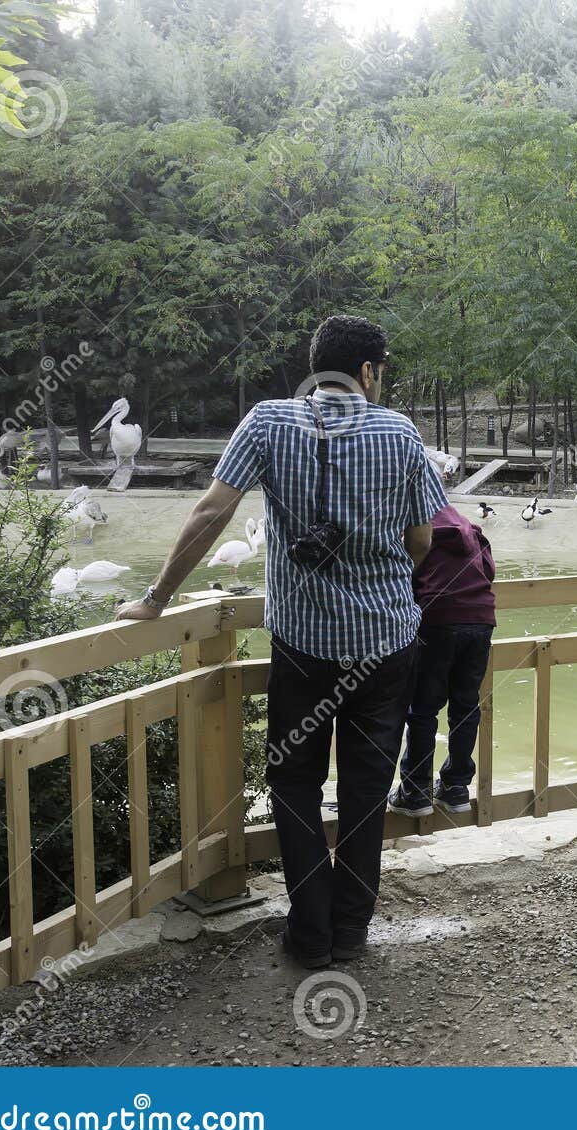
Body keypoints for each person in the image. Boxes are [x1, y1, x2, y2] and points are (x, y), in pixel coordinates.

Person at [115, 315, 447, 968]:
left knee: (293, 781)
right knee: (363, 787)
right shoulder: (402, 432)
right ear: (369, 371)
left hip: (304, 649)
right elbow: (422, 540)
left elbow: (211, 512)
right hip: (384, 645)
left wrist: (156, 598)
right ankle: (349, 932)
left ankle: (309, 932)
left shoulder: (268, 421)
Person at [389, 502, 496, 818]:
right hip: (480, 619)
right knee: (465, 705)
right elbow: (489, 570)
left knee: (423, 708)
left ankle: (415, 791)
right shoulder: (468, 527)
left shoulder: (414, 525)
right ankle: (456, 787)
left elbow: (402, 576)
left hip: (437, 619)